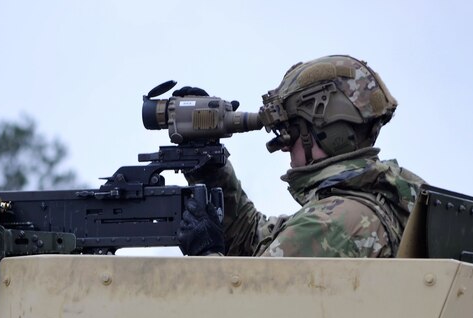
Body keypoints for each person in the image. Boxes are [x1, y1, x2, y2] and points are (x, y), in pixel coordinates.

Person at [176, 55, 426, 258]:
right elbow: (253, 240)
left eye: (291, 130)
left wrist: (205, 253)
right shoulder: (371, 200)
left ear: (326, 130)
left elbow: (243, 304)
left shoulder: (331, 224)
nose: (284, 146)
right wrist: (211, 169)